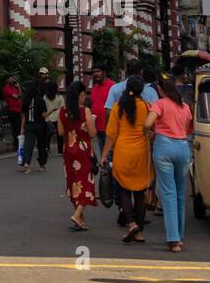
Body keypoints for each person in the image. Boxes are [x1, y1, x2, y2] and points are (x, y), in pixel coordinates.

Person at [145, 76, 193, 253]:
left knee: (168, 194)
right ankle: (179, 236)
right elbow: (188, 128)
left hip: (164, 147)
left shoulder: (159, 103)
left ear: (161, 90)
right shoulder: (185, 106)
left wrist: (149, 132)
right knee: (181, 194)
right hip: (182, 148)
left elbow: (148, 122)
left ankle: (173, 240)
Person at [105, 75, 152, 243]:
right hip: (141, 153)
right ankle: (139, 232)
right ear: (142, 90)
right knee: (140, 193)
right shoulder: (147, 106)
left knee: (124, 190)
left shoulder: (118, 108)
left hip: (122, 152)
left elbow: (111, 135)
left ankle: (131, 223)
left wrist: (104, 155)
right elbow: (152, 129)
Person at [60, 80, 99, 232]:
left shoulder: (63, 111)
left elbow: (61, 132)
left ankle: (81, 220)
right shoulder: (85, 111)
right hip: (83, 151)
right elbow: (92, 133)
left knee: (73, 183)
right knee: (86, 183)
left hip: (68, 151)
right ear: (81, 95)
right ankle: (77, 215)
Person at [19, 68, 52, 172]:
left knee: (28, 145)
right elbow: (44, 115)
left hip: (29, 125)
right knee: (41, 145)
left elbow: (24, 115)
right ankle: (42, 165)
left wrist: (22, 128)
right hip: (40, 126)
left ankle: (27, 165)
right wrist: (52, 111)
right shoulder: (40, 101)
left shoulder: (26, 102)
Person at [89, 65, 115, 156]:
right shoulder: (94, 88)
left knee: (111, 155)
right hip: (97, 127)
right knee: (102, 153)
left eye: (98, 71)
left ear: (104, 72)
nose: (96, 74)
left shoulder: (113, 86)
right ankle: (105, 168)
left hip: (109, 127)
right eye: (94, 72)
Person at [2, 75, 23, 150]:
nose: (12, 79)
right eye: (11, 78)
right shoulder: (6, 88)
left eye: (12, 78)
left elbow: (20, 94)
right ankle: (16, 146)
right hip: (13, 110)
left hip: (18, 110)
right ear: (7, 80)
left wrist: (18, 87)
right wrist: (18, 94)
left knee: (18, 128)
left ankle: (18, 145)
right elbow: (16, 96)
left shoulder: (14, 88)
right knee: (16, 129)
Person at [45, 79, 63, 155]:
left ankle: (47, 148)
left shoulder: (45, 97)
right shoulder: (59, 97)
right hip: (58, 118)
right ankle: (60, 150)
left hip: (48, 118)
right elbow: (62, 108)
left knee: (48, 134)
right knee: (60, 134)